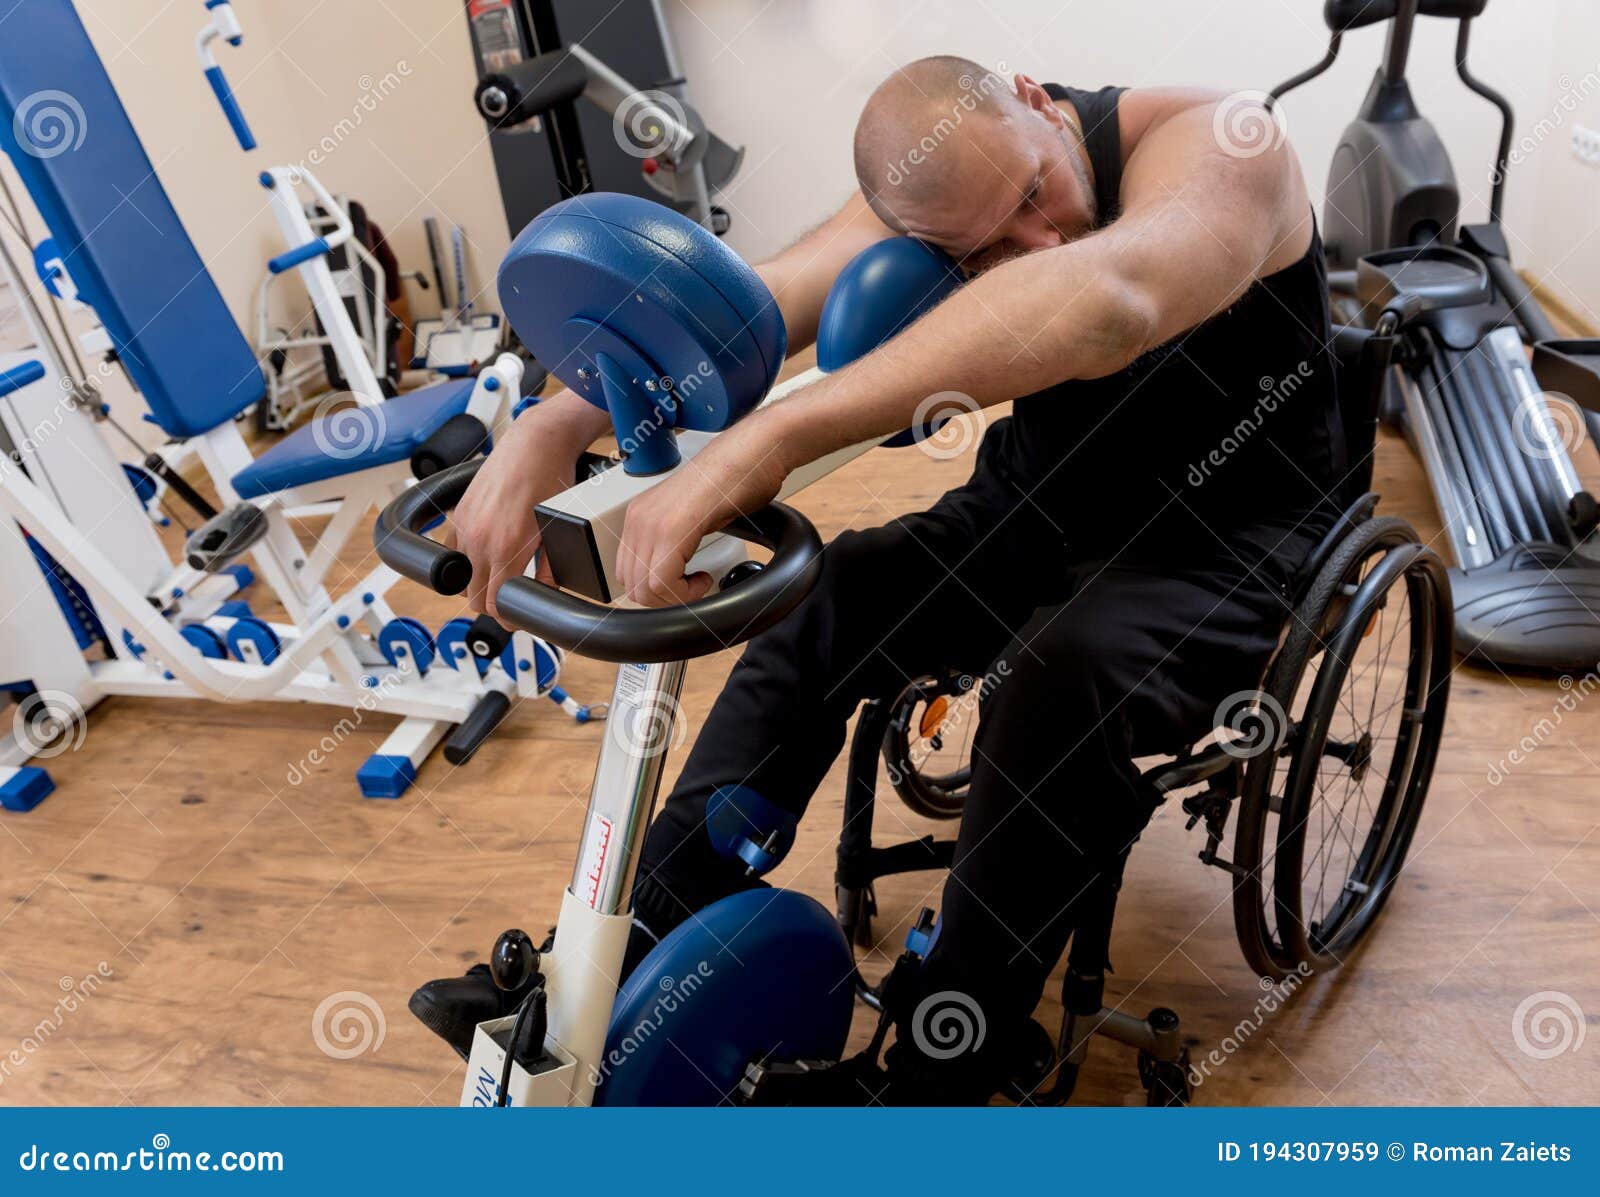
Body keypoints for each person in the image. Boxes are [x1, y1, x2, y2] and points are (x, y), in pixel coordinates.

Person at [411, 56, 1345, 1103]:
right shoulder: (938, 182)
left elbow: (1111, 298)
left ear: (1037, 102)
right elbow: (753, 311)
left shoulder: (1225, 144)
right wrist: (551, 421)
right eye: (984, 249)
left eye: (1035, 194)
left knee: (1057, 680)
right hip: (1035, 503)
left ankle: (938, 1072)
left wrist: (773, 439)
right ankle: (617, 954)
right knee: (828, 598)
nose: (1036, 239)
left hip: (1223, 537)